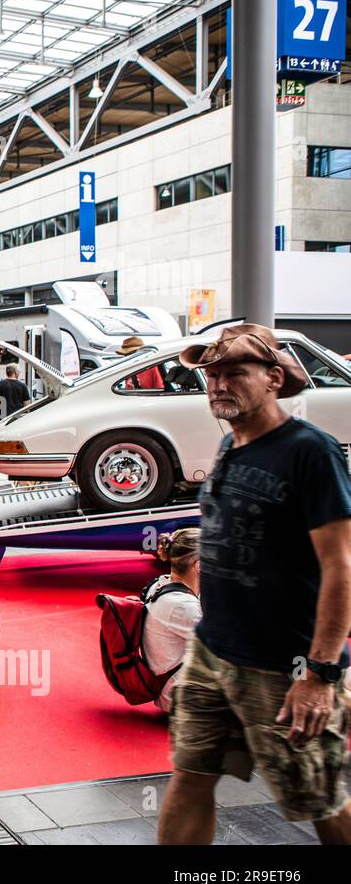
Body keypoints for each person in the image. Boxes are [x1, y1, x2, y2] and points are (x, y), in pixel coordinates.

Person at [156, 323, 351, 845]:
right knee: (190, 775)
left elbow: (341, 565)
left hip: (284, 667)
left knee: (320, 797)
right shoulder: (231, 446)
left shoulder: (311, 452)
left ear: (273, 378)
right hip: (212, 653)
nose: (218, 384)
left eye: (235, 373)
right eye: (212, 374)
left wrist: (321, 673)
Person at [141, 528, 203, 714]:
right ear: (199, 565)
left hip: (171, 688)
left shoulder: (159, 585)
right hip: (184, 699)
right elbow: (224, 646)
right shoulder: (182, 606)